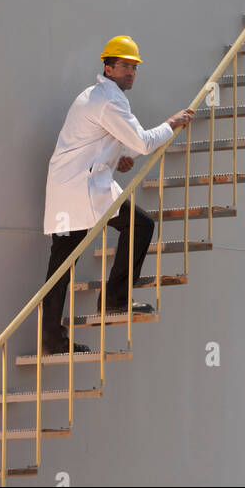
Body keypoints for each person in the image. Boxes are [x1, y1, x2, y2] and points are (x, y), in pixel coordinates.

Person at [40, 35, 194, 355]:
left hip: (73, 188)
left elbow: (106, 142)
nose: (131, 72)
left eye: (134, 67)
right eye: (125, 66)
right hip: (81, 189)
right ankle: (114, 299)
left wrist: (118, 157)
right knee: (140, 226)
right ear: (108, 68)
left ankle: (53, 337)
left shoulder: (97, 96)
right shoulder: (109, 100)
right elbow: (143, 142)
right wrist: (171, 123)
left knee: (62, 265)